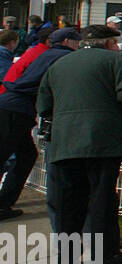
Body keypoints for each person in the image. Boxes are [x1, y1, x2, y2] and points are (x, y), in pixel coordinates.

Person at [35, 24, 122, 264]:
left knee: (68, 201)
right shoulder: (117, 62)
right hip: (102, 140)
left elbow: (44, 103)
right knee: (101, 198)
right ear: (107, 43)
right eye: (115, 43)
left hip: (64, 141)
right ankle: (104, 254)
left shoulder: (59, 65)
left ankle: (67, 258)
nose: (117, 47)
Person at [0, 28, 81, 220]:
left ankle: (4, 203)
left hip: (13, 106)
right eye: (77, 42)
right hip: (16, 110)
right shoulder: (62, 57)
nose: (79, 45)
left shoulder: (43, 53)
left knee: (27, 155)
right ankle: (3, 203)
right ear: (67, 41)